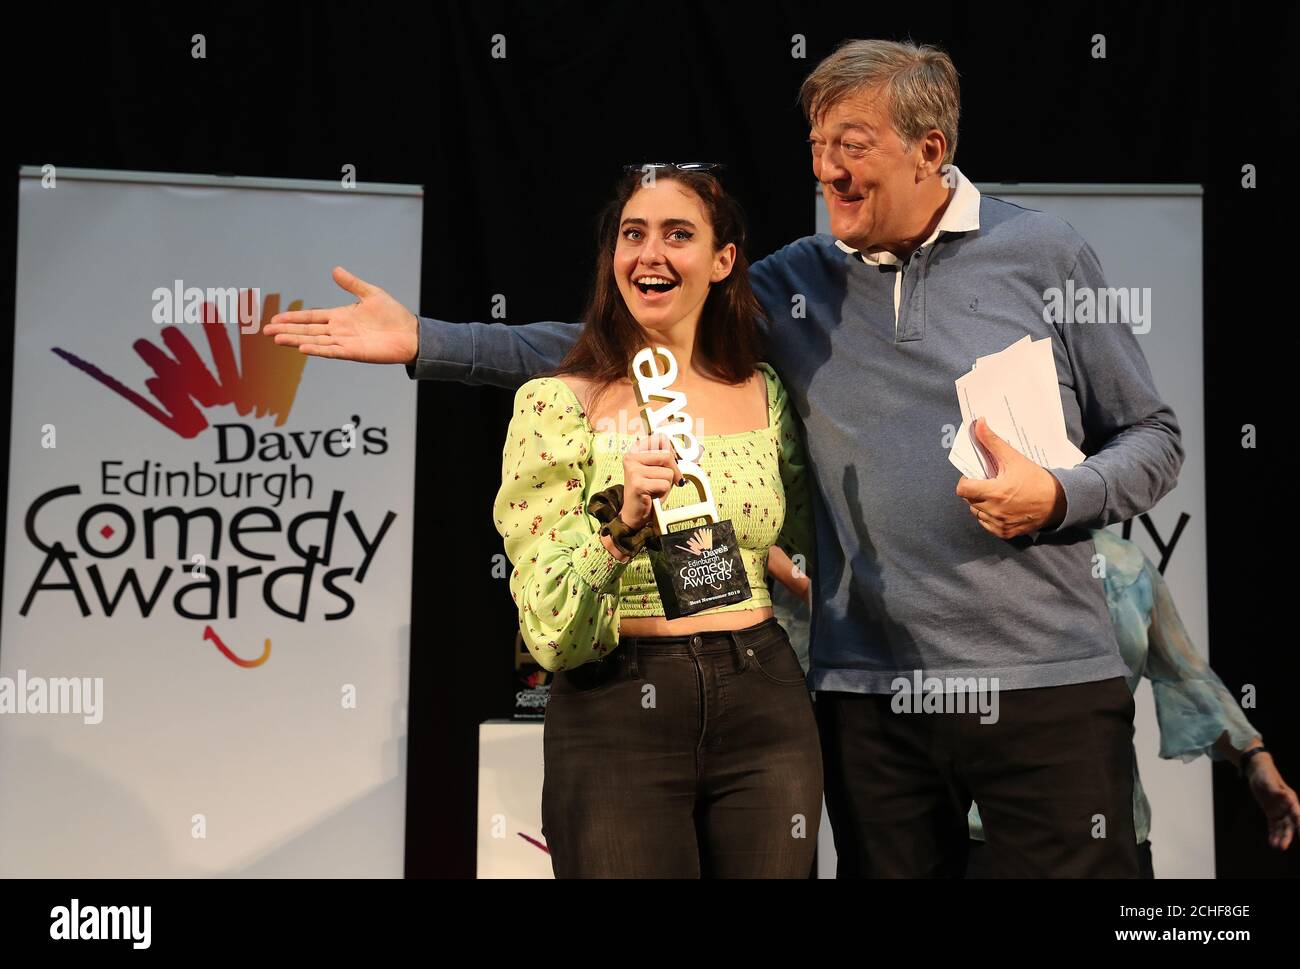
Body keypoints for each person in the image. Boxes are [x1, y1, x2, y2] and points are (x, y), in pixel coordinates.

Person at [266, 40, 1183, 878]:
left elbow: (1153, 435)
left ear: (929, 150)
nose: (825, 167)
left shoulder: (1044, 254)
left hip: (1044, 683)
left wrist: (1061, 494)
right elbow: (621, 344)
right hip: (870, 700)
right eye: (817, 144)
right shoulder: (802, 281)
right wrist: (427, 341)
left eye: (851, 145)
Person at [963, 529, 1300, 877]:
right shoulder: (968, 558)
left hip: (1113, 832)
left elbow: (1186, 675)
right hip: (993, 834)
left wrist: (1254, 758)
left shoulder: (1127, 564)